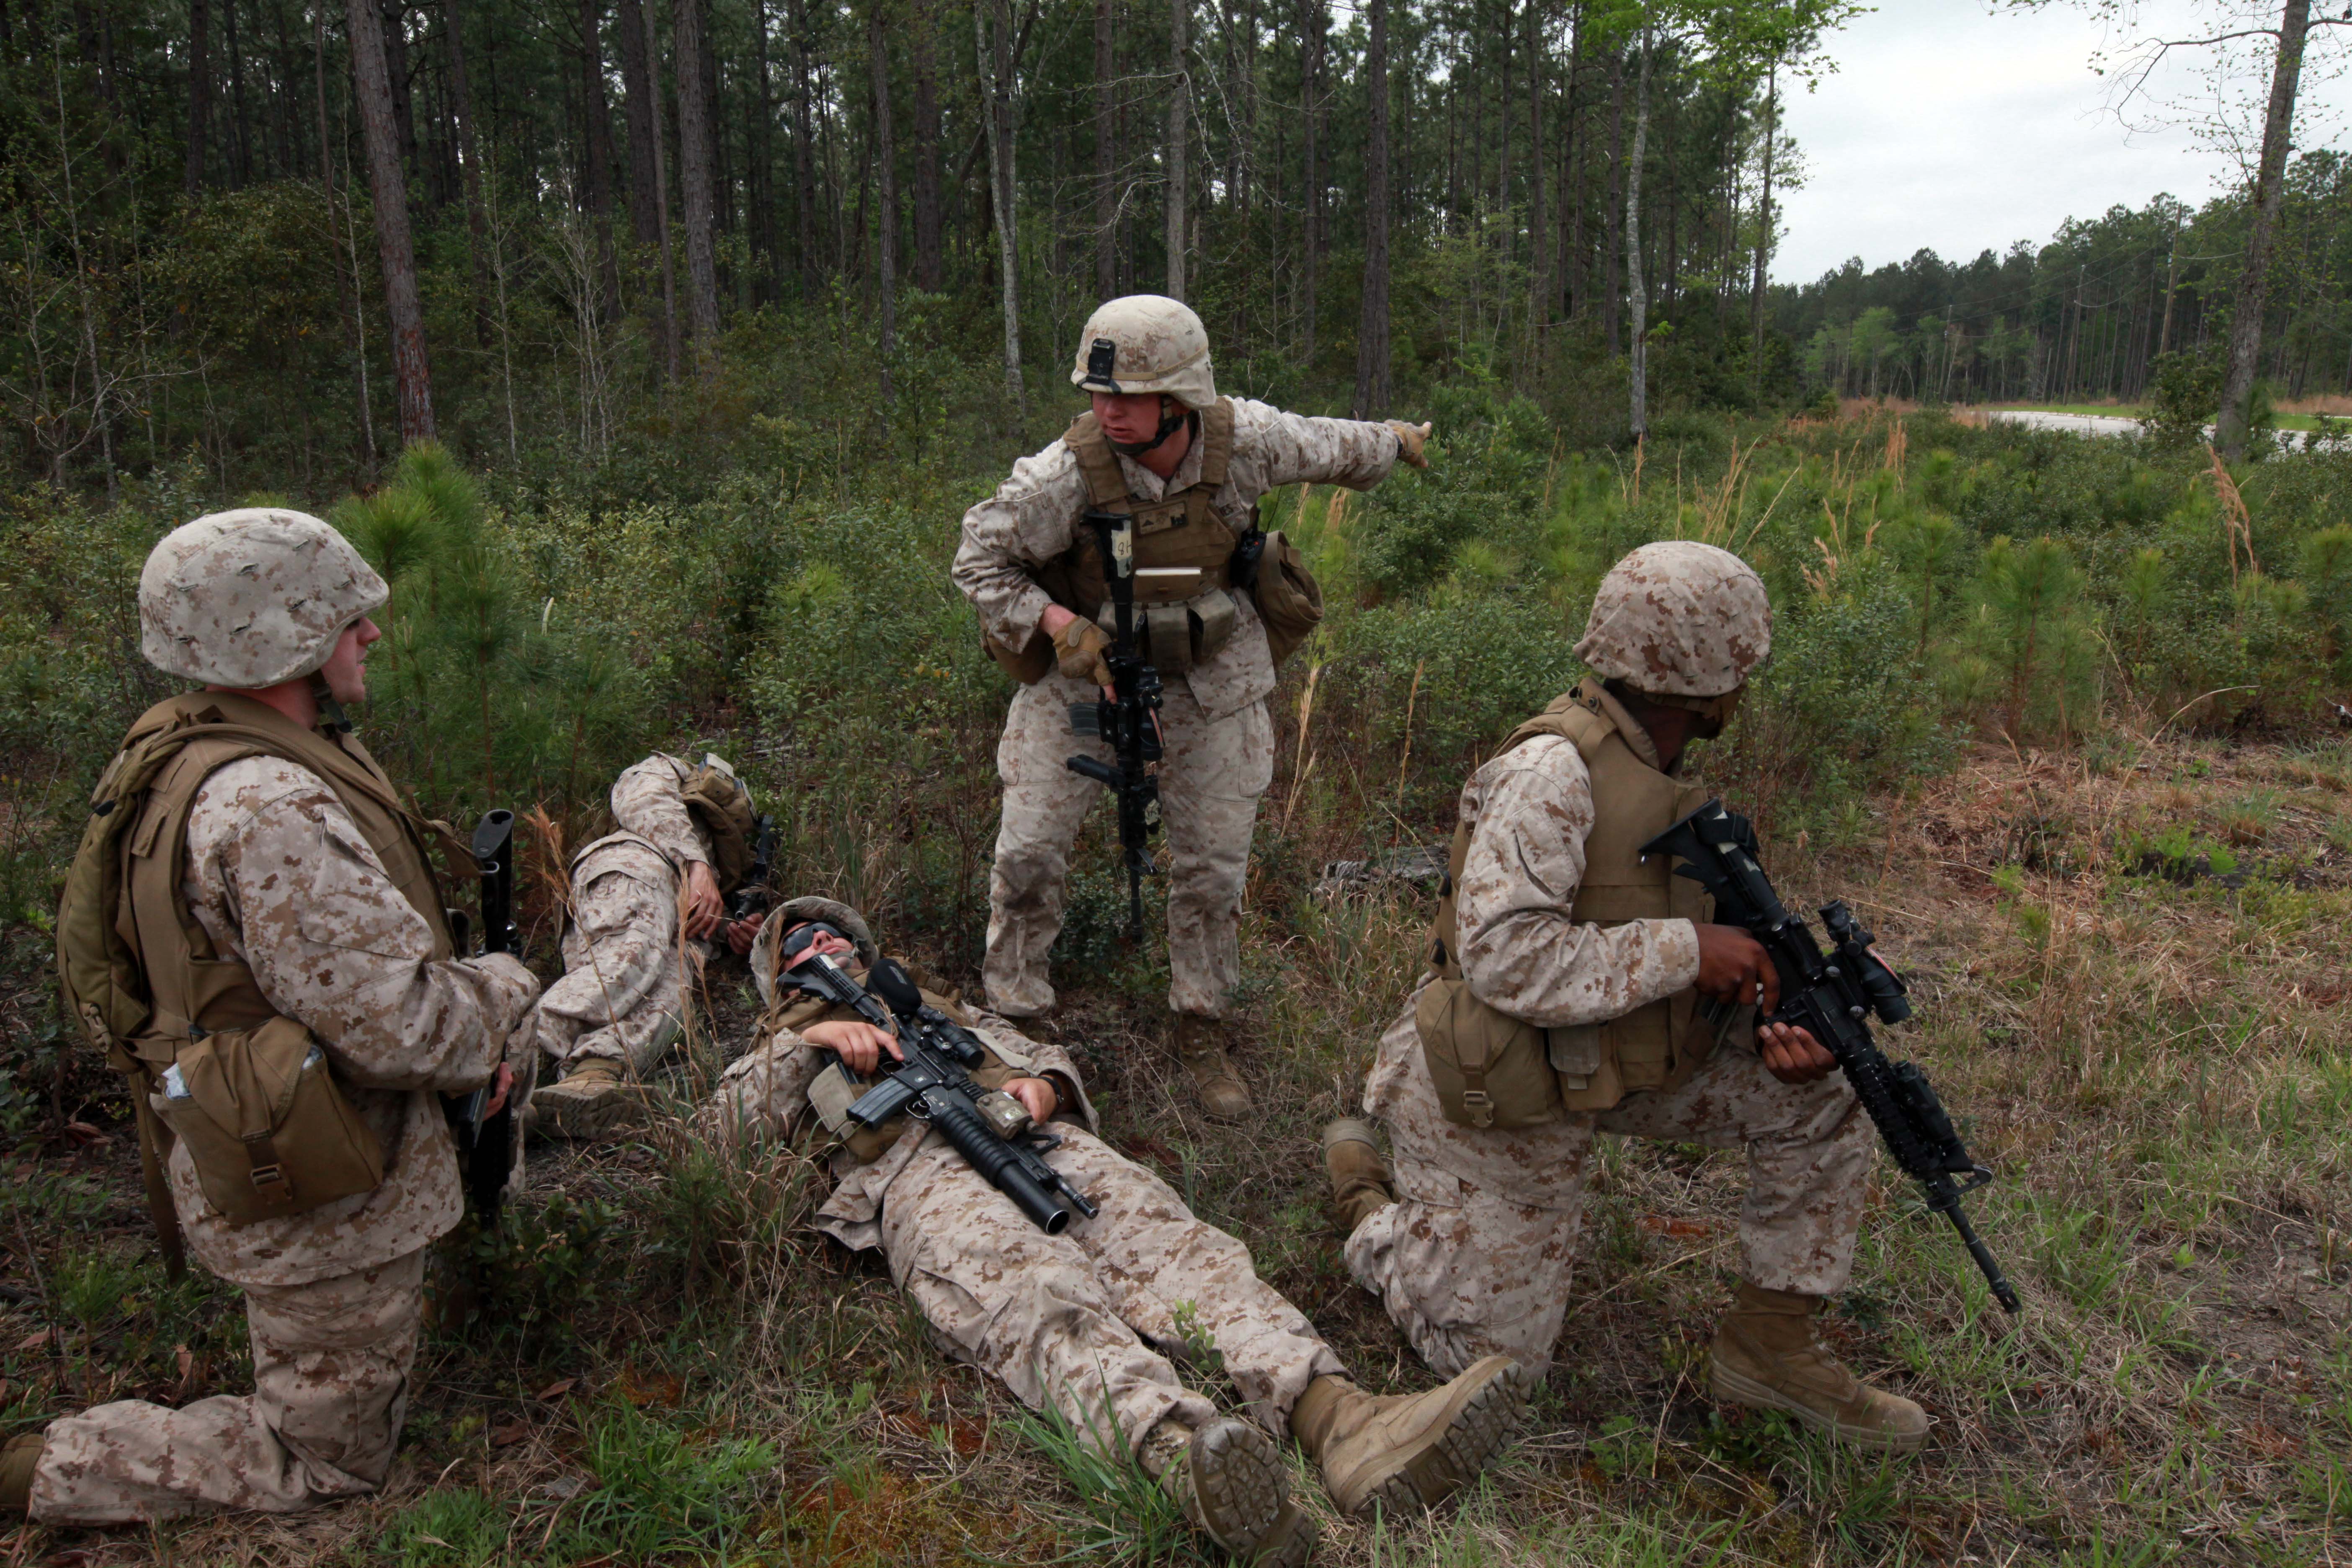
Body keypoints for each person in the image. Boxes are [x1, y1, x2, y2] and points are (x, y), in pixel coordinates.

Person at [1322, 542, 1930, 1451]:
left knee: (1834, 1076)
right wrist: (1689, 952)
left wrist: (1783, 1013)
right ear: (1706, 677)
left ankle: (1771, 1347)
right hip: (1497, 1079)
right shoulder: (1551, 775)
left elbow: (1660, 917)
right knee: (1499, 1376)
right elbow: (1502, 959)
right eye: (1742, 669)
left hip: (1609, 1043)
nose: (1747, 689)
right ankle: (1374, 1209)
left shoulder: (1651, 764)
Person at [704, 899, 1532, 1562]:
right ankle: (1186, 1459)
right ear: (778, 978)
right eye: (800, 943)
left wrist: (1042, 1090)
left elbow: (1037, 1053)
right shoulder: (779, 1045)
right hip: (916, 1177)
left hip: (1041, 1146)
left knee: (1184, 1254)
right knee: (1036, 1300)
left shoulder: (935, 1007)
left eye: (836, 934)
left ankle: (1340, 1420)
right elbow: (718, 1142)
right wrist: (804, 1044)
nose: (825, 945)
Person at [6, 510, 542, 1523]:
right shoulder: (270, 808)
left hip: (268, 1136)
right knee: (322, 1462)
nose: (370, 633)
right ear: (273, 637)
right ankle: (38, 1467)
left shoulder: (192, 746)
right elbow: (402, 1028)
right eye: (343, 617)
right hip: (323, 1198)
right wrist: (507, 986)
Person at [953, 294, 1431, 1119]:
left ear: (1183, 399)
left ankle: (1200, 1024)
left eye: (1129, 398)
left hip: (1210, 677)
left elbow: (1332, 444)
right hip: (1085, 675)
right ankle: (1018, 1016)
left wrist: (1395, 441)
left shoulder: (1244, 441)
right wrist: (1063, 628)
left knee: (1212, 868)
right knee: (1031, 849)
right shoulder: (1061, 477)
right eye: (1098, 395)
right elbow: (979, 561)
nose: (1109, 411)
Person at [525, 752, 766, 1137]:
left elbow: (708, 906)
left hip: (683, 917)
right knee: (629, 959)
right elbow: (639, 800)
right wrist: (695, 864)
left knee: (672, 992)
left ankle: (592, 1074)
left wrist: (732, 931)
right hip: (638, 867)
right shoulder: (668, 771)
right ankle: (505, 1056)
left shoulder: (719, 854)